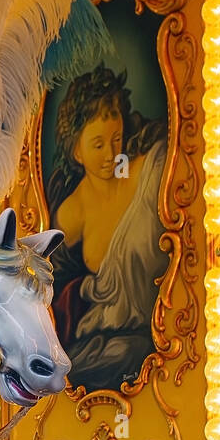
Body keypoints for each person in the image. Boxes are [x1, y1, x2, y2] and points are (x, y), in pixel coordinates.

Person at [48, 65, 167, 392]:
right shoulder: (71, 213)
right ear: (76, 149)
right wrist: (86, 290)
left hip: (162, 333)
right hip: (106, 337)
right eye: (98, 144)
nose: (111, 154)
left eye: (116, 139)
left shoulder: (146, 171)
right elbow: (47, 283)